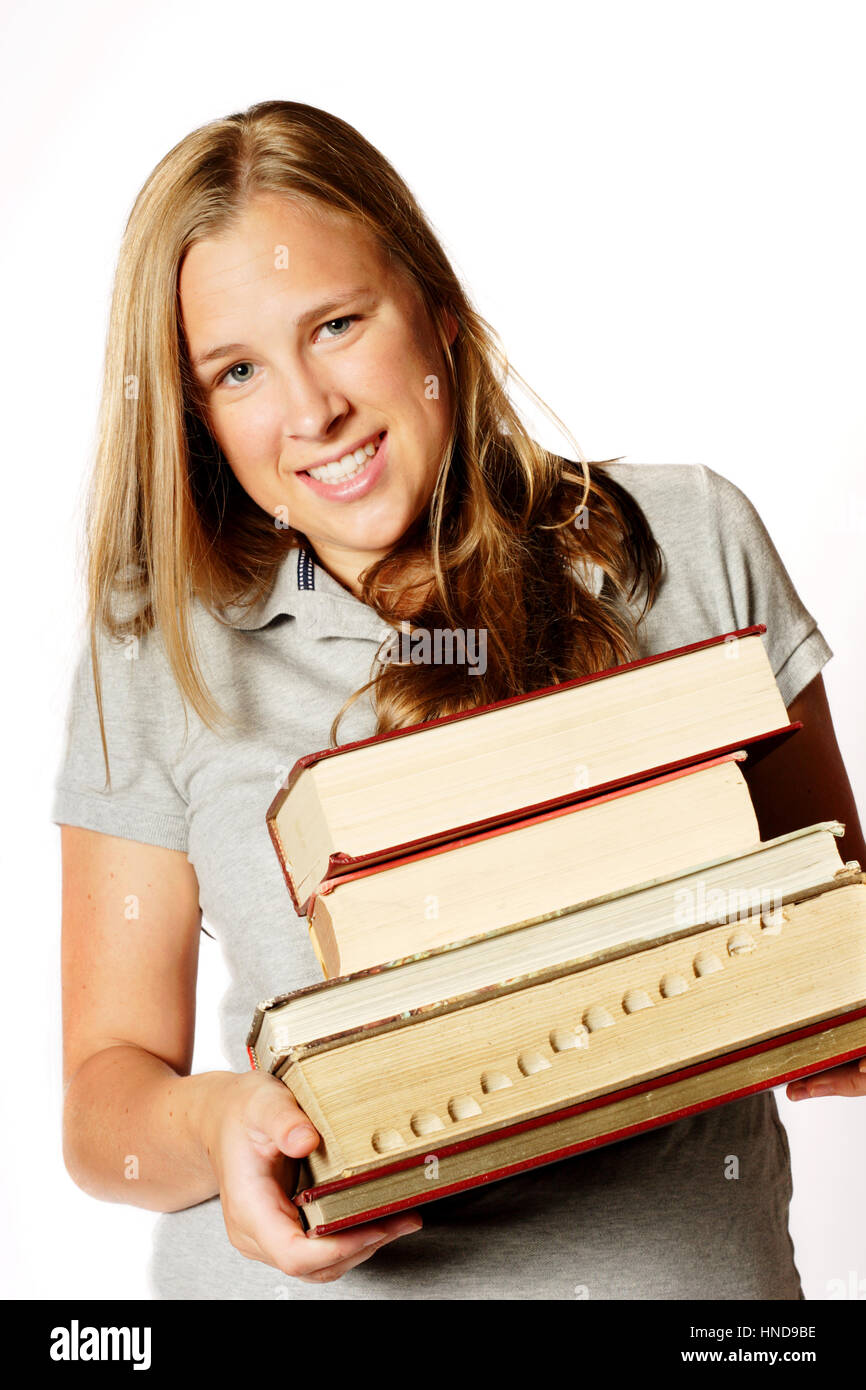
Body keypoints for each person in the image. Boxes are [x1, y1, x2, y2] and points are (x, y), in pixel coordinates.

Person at [51, 99, 866, 1301]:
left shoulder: (686, 540)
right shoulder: (158, 654)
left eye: (335, 324)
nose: (309, 410)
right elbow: (104, 1104)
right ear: (198, 419)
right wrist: (223, 1123)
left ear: (432, 307)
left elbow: (833, 914)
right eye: (236, 371)